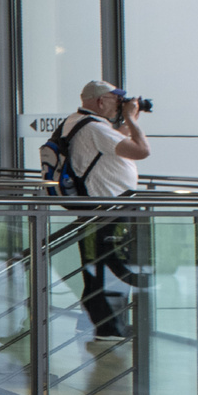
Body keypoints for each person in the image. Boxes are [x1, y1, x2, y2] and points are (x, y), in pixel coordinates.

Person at [61, 80, 152, 339]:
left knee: (98, 267)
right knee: (111, 268)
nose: (120, 104)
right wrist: (131, 121)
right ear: (101, 101)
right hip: (108, 207)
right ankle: (108, 329)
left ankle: (95, 323)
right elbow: (141, 150)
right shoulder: (94, 127)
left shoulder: (79, 122)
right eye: (116, 99)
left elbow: (116, 140)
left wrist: (130, 117)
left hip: (96, 207)